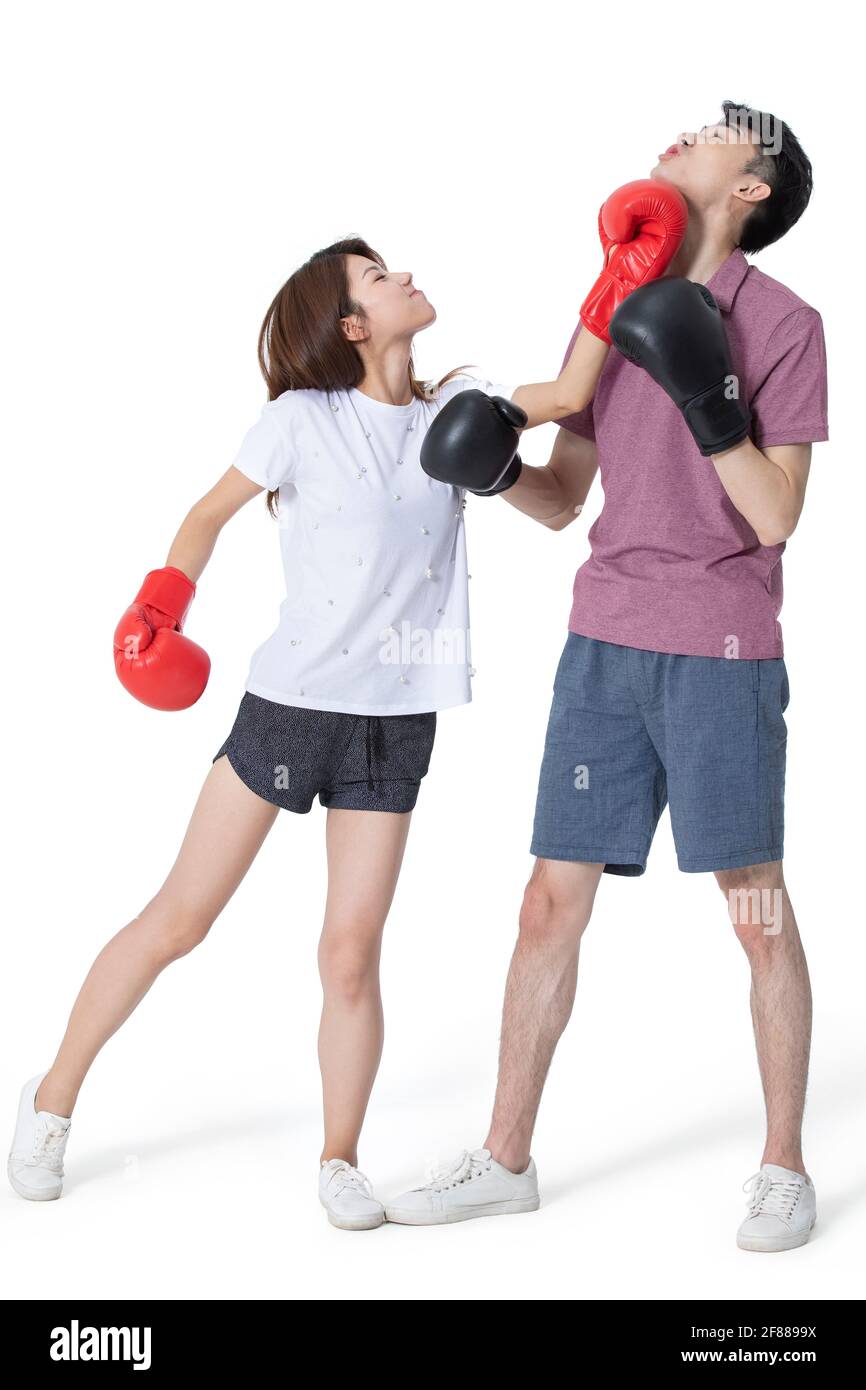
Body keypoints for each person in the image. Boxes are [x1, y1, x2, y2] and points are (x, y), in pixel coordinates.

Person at [8, 224, 644, 1228]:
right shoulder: (303, 419)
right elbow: (209, 512)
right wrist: (161, 600)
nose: (405, 275)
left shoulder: (455, 418)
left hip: (395, 718)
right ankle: (48, 1101)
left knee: (349, 952)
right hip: (292, 702)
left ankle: (337, 1157)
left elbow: (562, 415)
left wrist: (620, 280)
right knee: (180, 918)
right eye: (378, 276)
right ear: (351, 323)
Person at [388, 102, 828, 1253]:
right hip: (603, 641)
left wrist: (707, 398)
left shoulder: (783, 323)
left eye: (717, 132)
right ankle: (504, 1157)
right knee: (545, 904)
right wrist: (495, 472)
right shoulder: (615, 305)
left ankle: (782, 1165)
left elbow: (774, 513)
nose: (684, 131)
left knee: (753, 912)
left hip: (722, 649)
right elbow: (563, 497)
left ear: (750, 190)